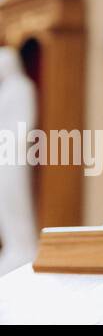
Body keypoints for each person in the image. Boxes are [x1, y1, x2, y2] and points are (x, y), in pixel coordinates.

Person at [0, 47, 38, 276]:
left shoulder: (23, 87)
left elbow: (25, 123)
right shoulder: (6, 90)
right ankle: (13, 245)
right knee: (4, 200)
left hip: (14, 154)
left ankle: (24, 246)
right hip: (3, 153)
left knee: (15, 198)